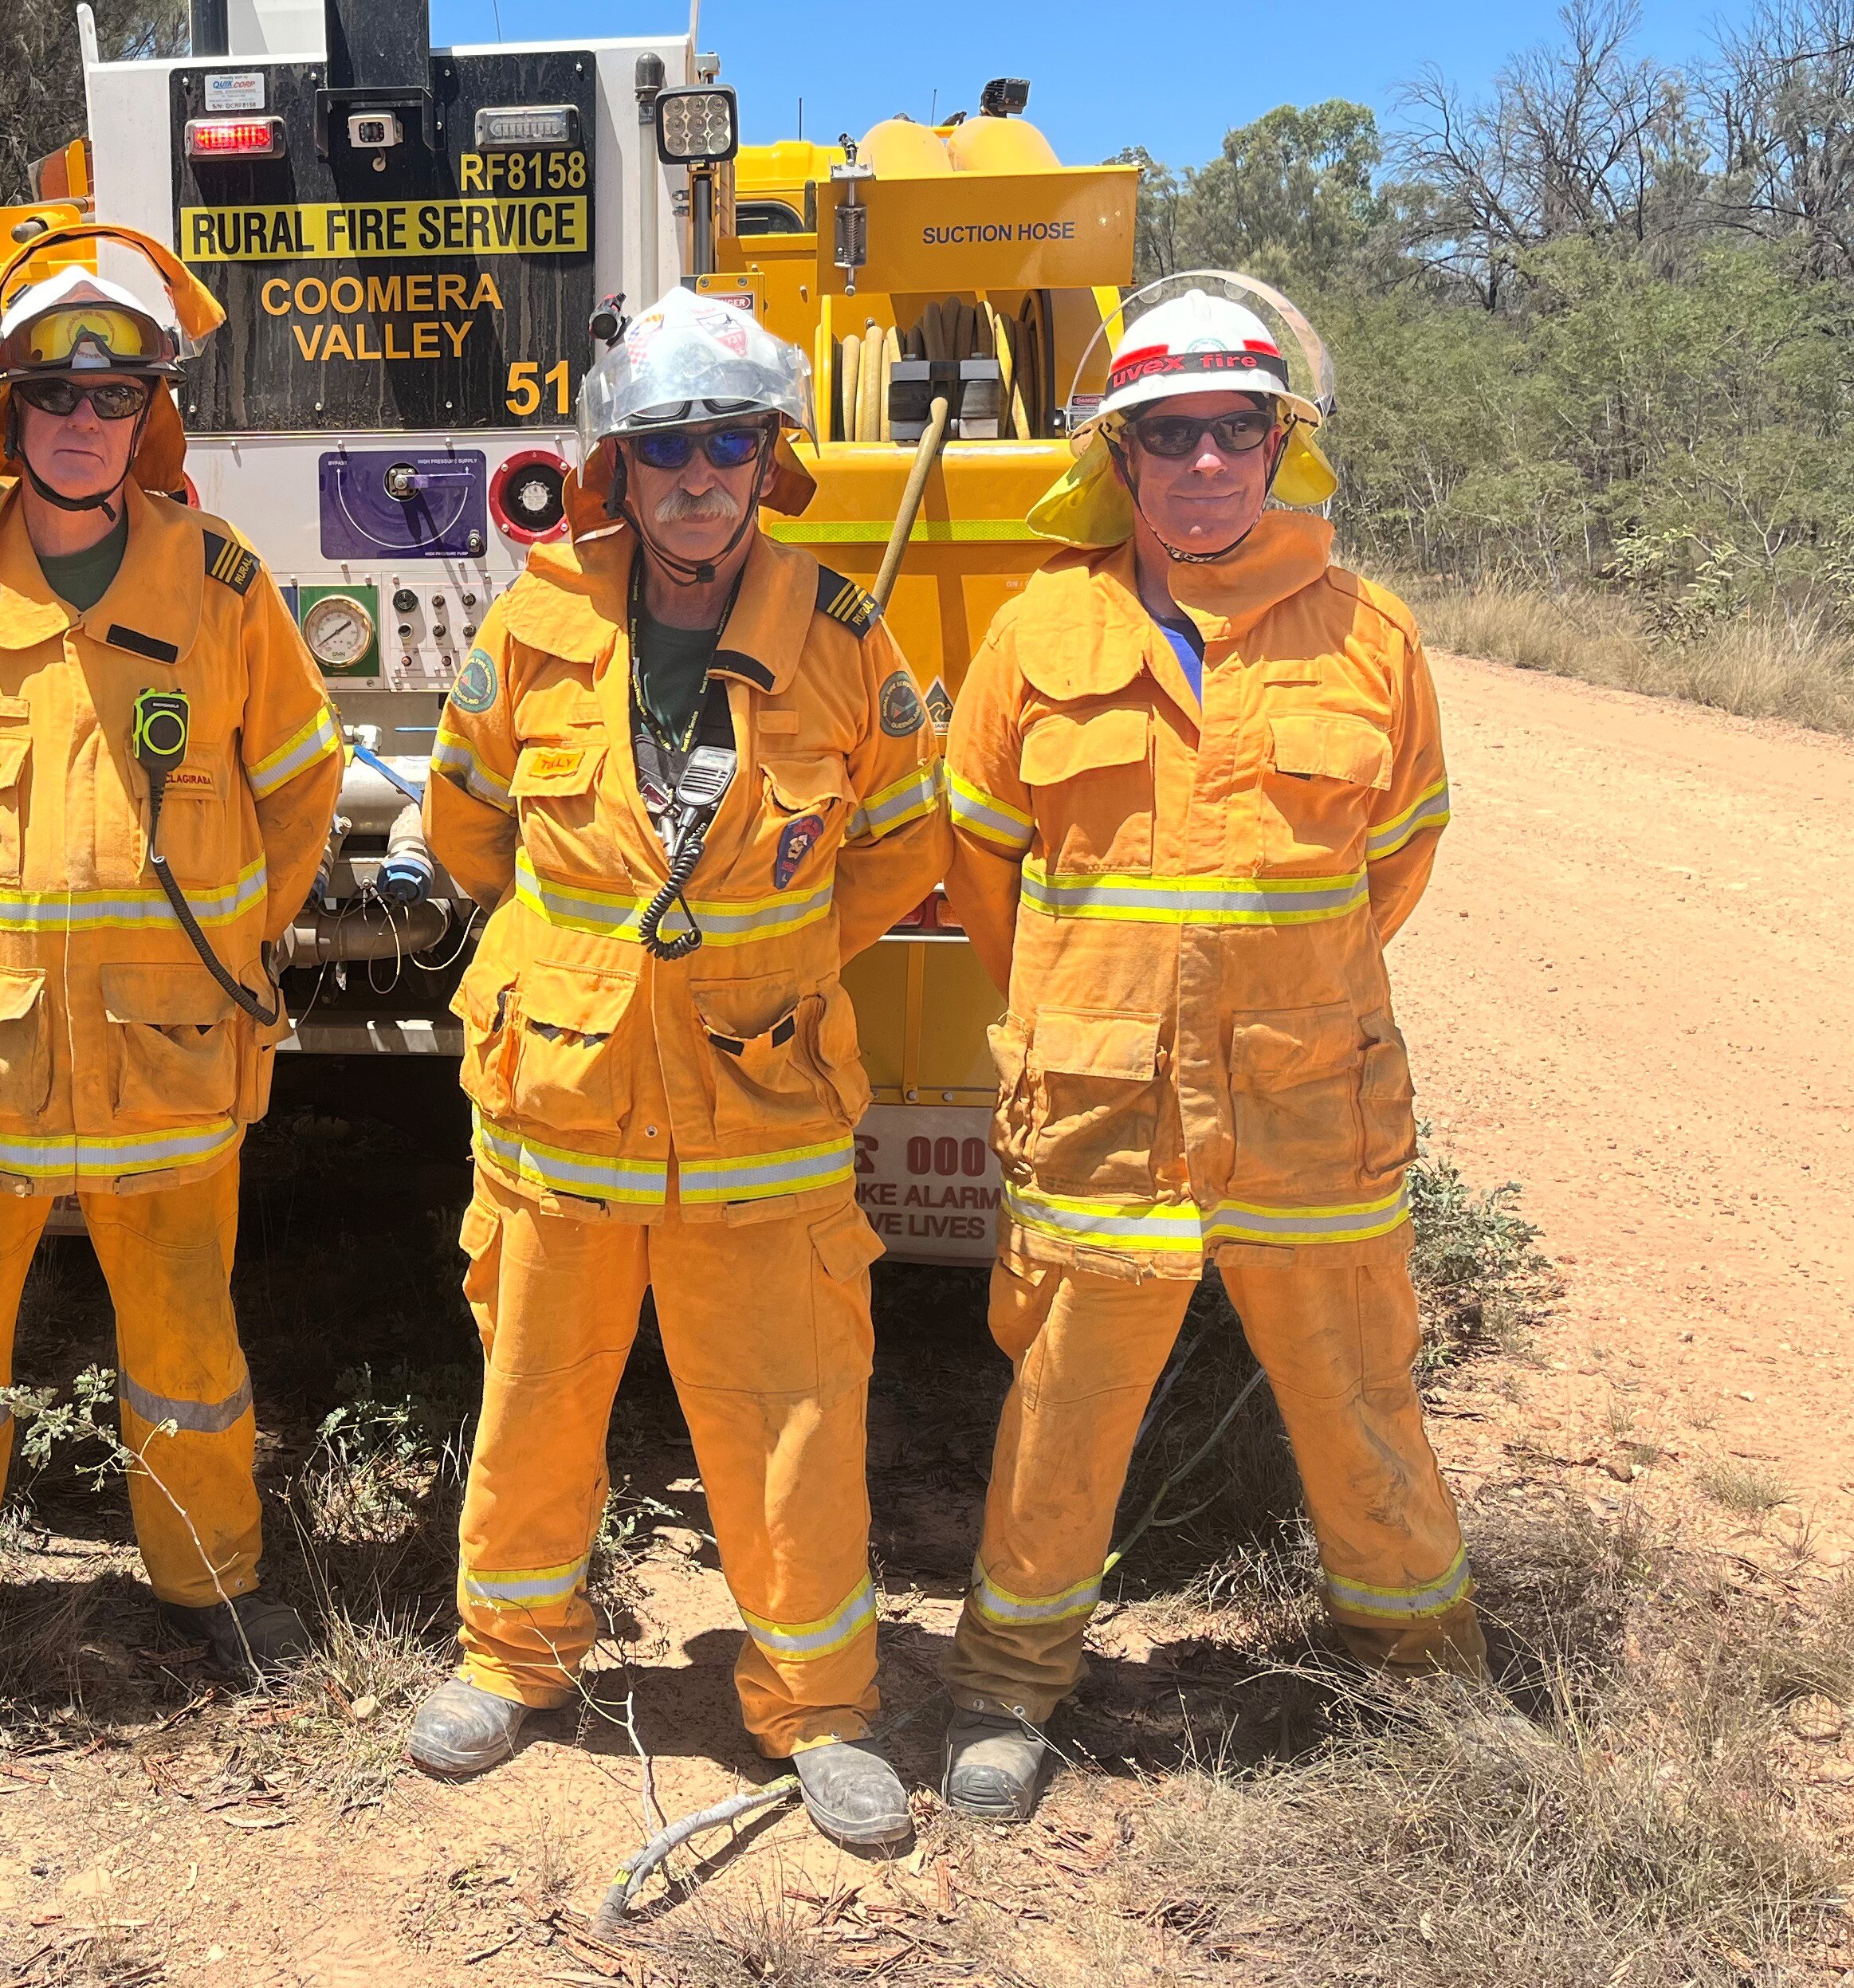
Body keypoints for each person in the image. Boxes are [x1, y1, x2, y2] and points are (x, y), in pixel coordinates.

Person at [404, 288, 949, 1851]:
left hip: (761, 1113)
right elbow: (464, 822)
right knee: (534, 1392)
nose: (699, 477)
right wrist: (574, 963)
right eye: (666, 450)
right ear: (619, 469)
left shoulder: (840, 636)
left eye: (725, 445)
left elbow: (899, 843)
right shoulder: (534, 619)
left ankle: (821, 1706)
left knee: (791, 1414)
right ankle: (510, 1664)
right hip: (561, 1100)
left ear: (768, 460)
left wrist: (770, 968)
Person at [936, 289, 1479, 1822]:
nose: (1199, 464)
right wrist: (1095, 998)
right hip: (1101, 1101)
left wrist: (1275, 991)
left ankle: (1425, 1670)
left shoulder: (1370, 637)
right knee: (1063, 1398)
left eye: (1231, 429)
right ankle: (1010, 1685)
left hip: (1310, 1098)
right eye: (1163, 434)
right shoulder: (1038, 633)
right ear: (1121, 454)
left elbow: (1399, 860)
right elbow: (984, 869)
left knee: (1360, 1388)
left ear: (1277, 440)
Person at [0, 232, 344, 1707]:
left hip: (168, 1064)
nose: (82, 421)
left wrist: (222, 950)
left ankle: (214, 1583)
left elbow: (300, 791)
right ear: (6, 412)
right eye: (53, 397)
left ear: (149, 416)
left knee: (188, 1342)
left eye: (114, 397)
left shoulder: (225, 587)